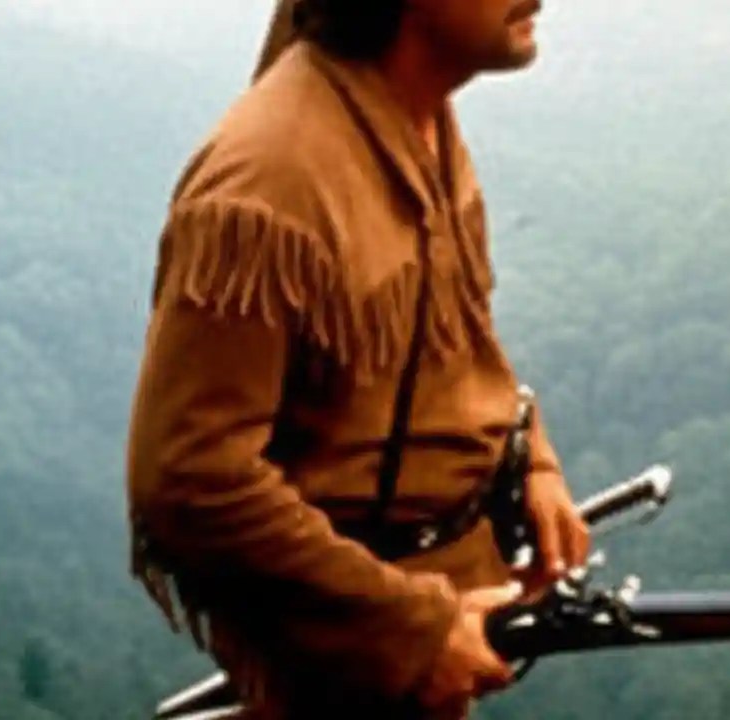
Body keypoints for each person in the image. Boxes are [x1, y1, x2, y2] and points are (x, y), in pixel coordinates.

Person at [125, 0, 589, 717]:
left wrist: (526, 452)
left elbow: (445, 341)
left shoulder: (419, 118)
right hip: (337, 680)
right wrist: (412, 631)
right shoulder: (267, 183)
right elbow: (191, 480)